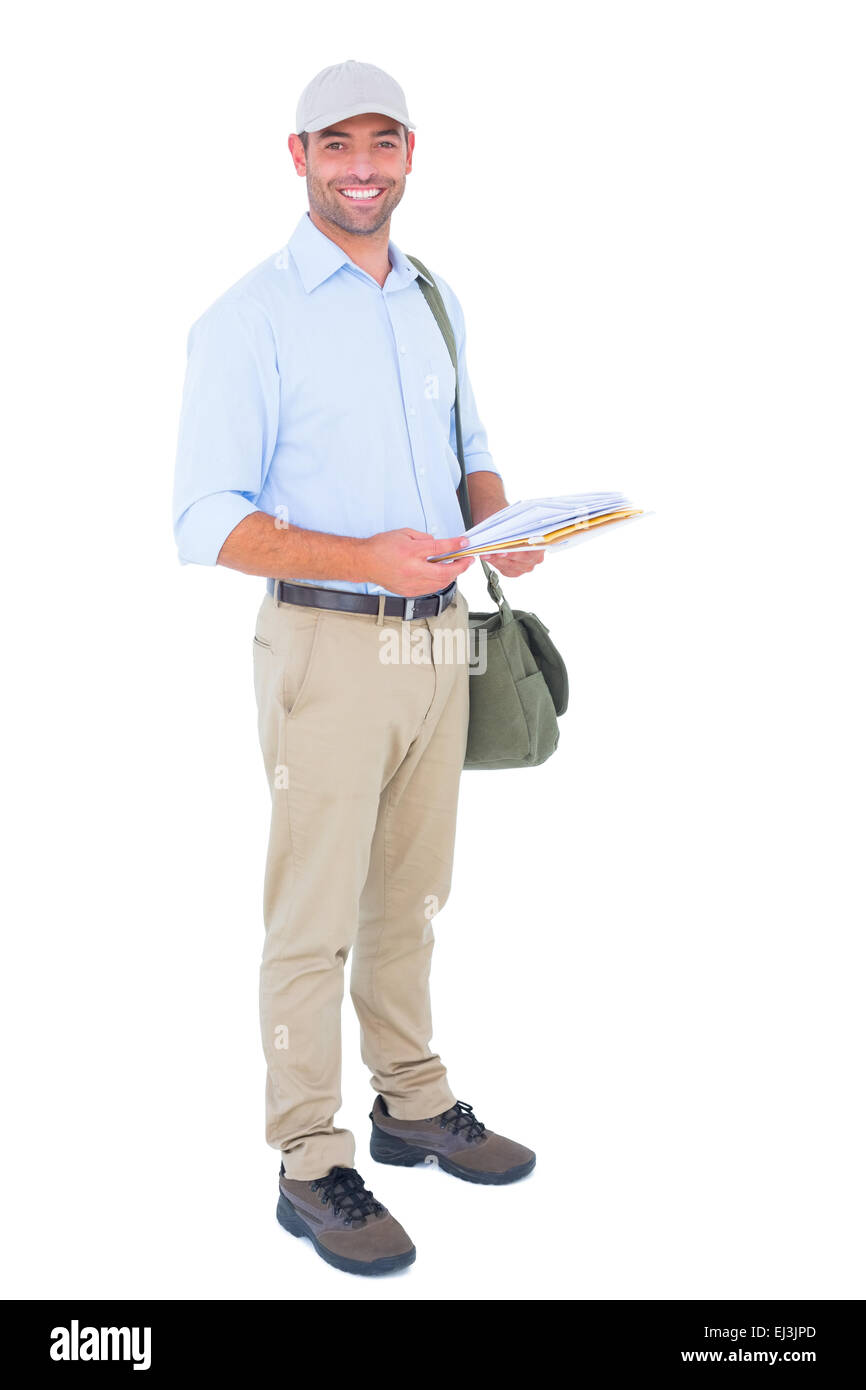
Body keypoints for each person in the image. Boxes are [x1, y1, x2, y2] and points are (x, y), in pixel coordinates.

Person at [172, 58, 544, 1276]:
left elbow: (469, 448)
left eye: (383, 144)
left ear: (409, 153)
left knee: (411, 896)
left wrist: (500, 524)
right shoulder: (251, 317)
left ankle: (411, 1099)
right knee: (313, 913)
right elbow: (206, 521)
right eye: (337, 146)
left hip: (441, 635)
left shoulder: (429, 297)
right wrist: (366, 556)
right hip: (325, 643)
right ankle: (308, 1157)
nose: (362, 168)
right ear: (298, 159)